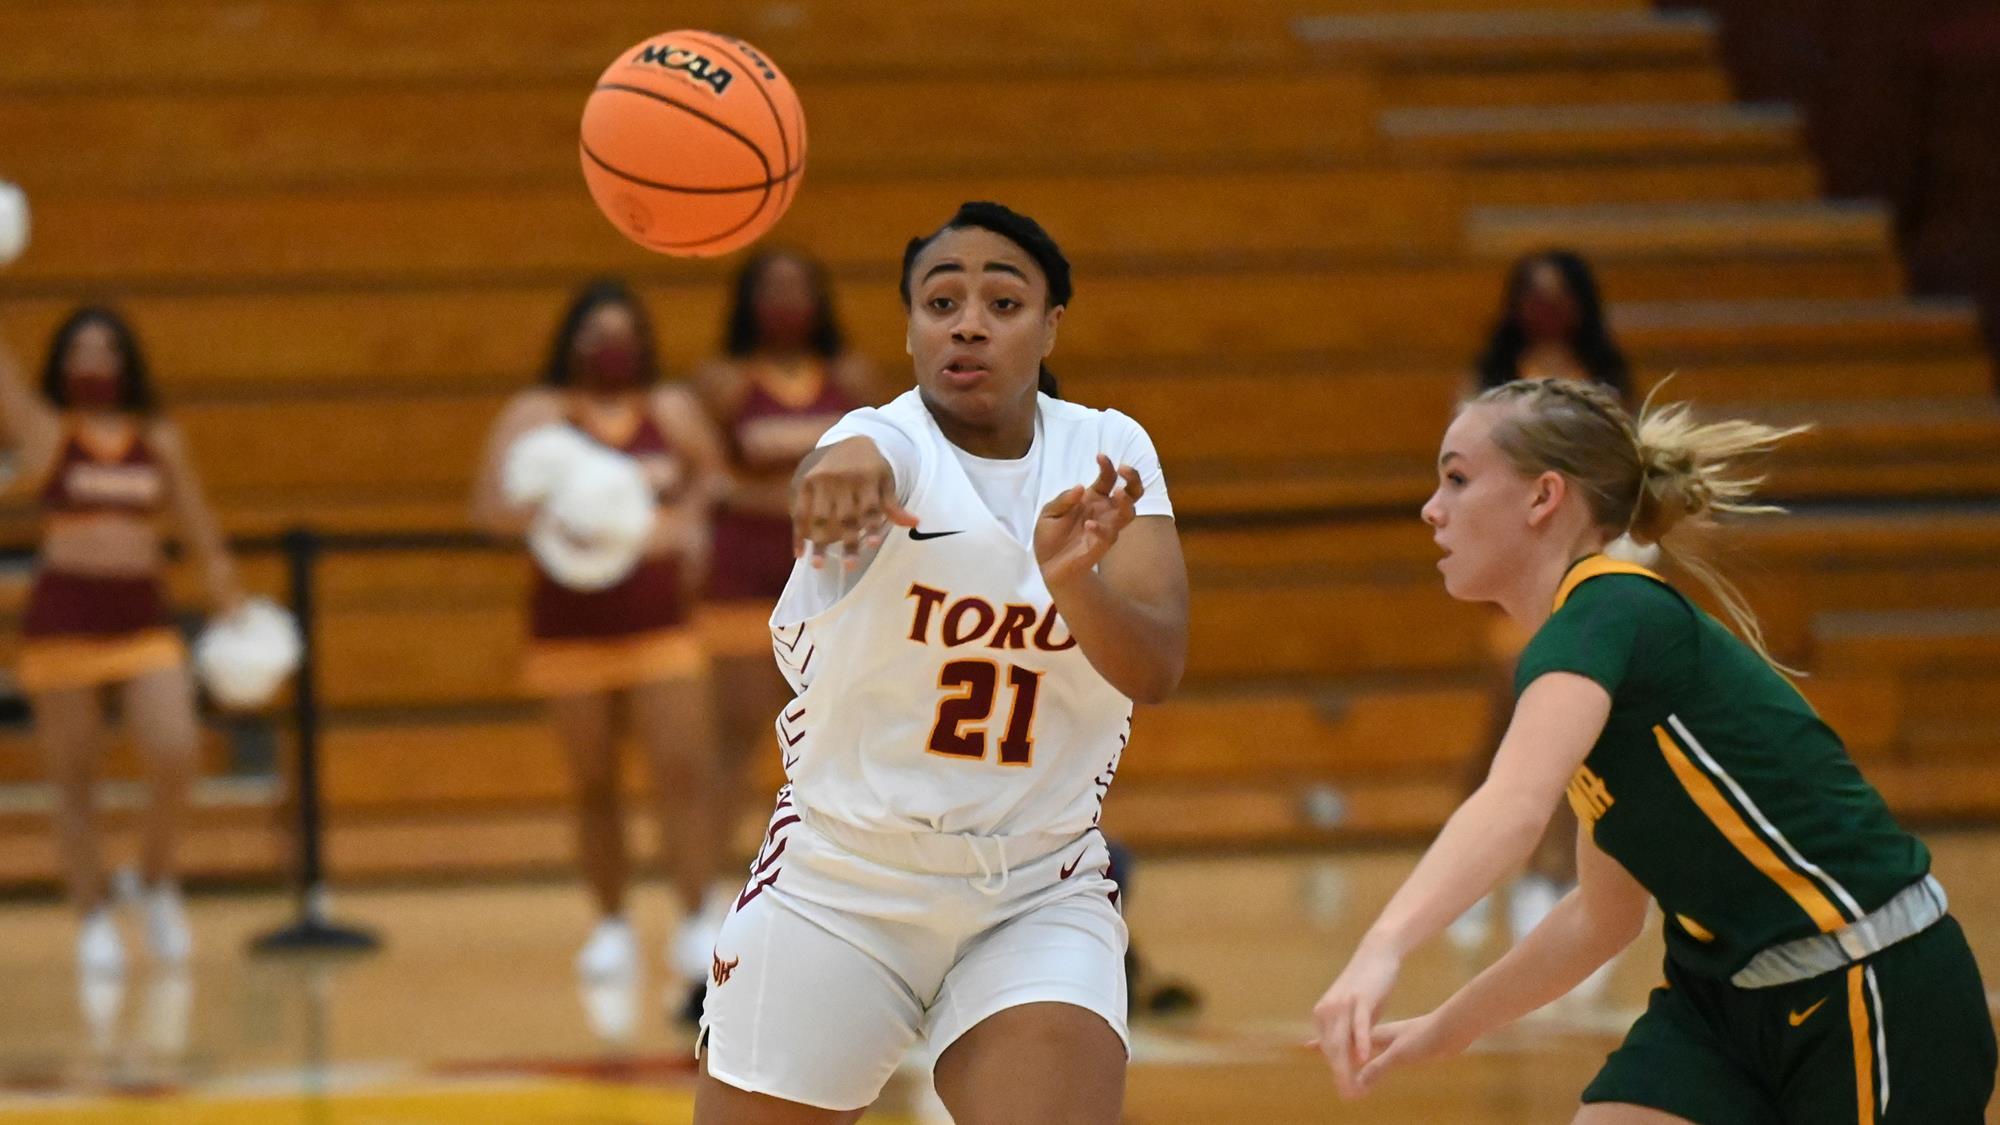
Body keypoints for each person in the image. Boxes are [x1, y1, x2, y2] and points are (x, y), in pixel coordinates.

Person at [1312, 378, 1996, 1122]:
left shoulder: (1611, 609)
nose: (1431, 507)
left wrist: (1384, 943)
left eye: (1457, 478)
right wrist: (1449, 1027)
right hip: (1721, 1007)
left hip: (1869, 984)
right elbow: (1600, 919)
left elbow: (1512, 806)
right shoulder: (1585, 653)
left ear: (1544, 497)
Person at [693, 202, 1188, 1124]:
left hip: (1038, 886)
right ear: (912, 327)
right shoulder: (886, 440)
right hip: (841, 881)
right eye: (941, 299)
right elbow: (847, 462)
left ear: (1050, 327)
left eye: (1004, 301)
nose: (968, 320)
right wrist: (834, 477)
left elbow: (1156, 667)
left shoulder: (1109, 450)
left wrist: (1074, 582)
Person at [471, 279, 729, 990]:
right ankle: (611, 924)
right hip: (568, 630)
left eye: (622, 335)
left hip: (662, 623)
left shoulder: (670, 408)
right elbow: (491, 507)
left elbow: (713, 478)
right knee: (593, 784)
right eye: (594, 335)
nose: (609, 349)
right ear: (570, 342)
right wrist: (566, 522)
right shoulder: (539, 414)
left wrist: (680, 527)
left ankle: (696, 918)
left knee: (684, 772)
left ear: (642, 341)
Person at [0, 307, 241, 976]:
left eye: (106, 347)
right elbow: (7, 384)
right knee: (74, 779)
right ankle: (93, 917)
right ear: (63, 361)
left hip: (142, 615)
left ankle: (155, 878)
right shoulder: (51, 432)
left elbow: (199, 525)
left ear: (128, 359)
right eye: (80, 347)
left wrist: (232, 602)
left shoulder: (158, 437)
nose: (94, 359)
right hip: (64, 615)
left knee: (176, 750)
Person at [1451, 249, 1637, 952]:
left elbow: (1625, 478)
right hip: (1513, 577)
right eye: (1534, 294)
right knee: (1506, 719)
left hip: (1588, 569)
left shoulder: (1608, 386)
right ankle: (1469, 869)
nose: (1547, 307)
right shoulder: (1488, 386)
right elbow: (1465, 474)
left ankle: (1550, 873)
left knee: (1571, 733)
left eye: (1559, 295)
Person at [692, 249, 876, 934]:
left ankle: (842, 885)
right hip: (743, 577)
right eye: (771, 288)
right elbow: (712, 484)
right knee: (735, 739)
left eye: (799, 287)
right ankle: (710, 901)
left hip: (835, 578)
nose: (786, 300)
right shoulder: (723, 382)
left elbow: (872, 476)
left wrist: (777, 495)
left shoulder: (851, 376)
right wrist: (799, 496)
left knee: (839, 738)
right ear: (747, 300)